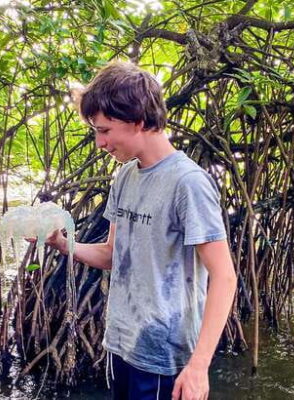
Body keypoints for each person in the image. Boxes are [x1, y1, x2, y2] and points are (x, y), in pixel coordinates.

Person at [43, 61, 237, 400]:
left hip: (163, 356)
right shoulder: (125, 177)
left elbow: (224, 276)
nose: (99, 143)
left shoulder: (187, 183)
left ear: (138, 120)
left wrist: (198, 366)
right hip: (122, 343)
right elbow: (112, 254)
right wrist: (64, 244)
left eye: (104, 130)